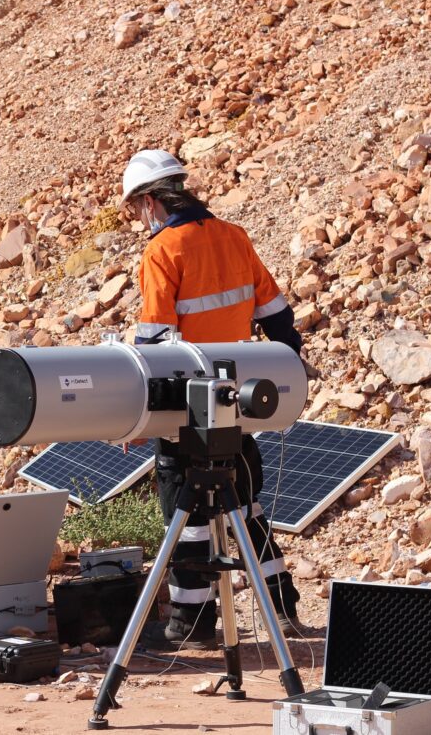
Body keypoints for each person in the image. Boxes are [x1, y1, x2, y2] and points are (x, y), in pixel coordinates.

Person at [120, 149, 304, 651]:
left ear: (153, 201)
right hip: (237, 397)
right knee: (246, 504)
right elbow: (279, 319)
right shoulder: (233, 236)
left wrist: (142, 415)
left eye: (136, 209)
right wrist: (284, 379)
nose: (138, 219)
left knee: (188, 513)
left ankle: (190, 623)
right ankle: (282, 606)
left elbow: (156, 343)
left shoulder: (163, 251)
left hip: (185, 404)